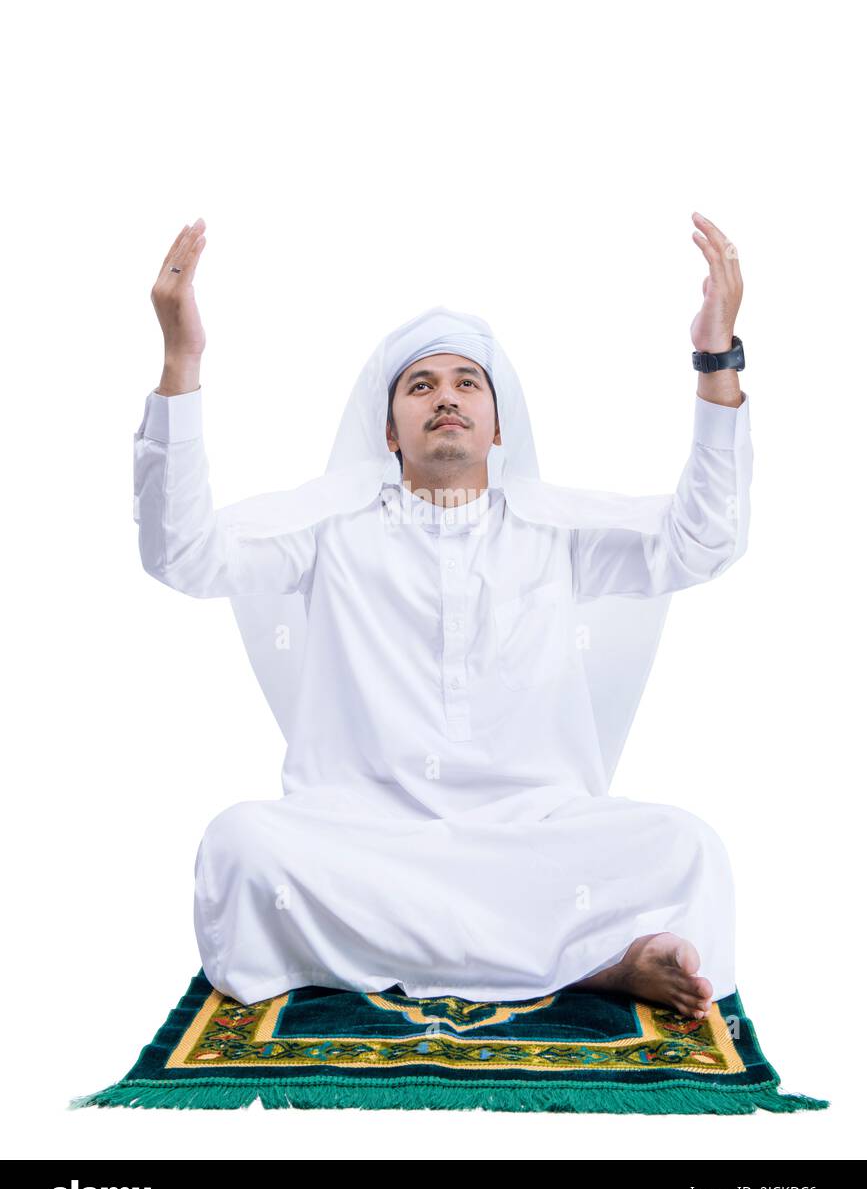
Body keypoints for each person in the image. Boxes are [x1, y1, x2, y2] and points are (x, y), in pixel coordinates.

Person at [134, 212, 752, 1017]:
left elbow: (704, 541)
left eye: (467, 383)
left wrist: (716, 361)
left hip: (535, 834)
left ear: (498, 425)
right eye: (420, 386)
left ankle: (439, 951)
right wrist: (181, 361)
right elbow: (181, 554)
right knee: (240, 847)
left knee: (688, 849)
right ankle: (588, 961)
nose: (447, 400)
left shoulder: (555, 537)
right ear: (389, 431)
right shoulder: (328, 534)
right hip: (366, 840)